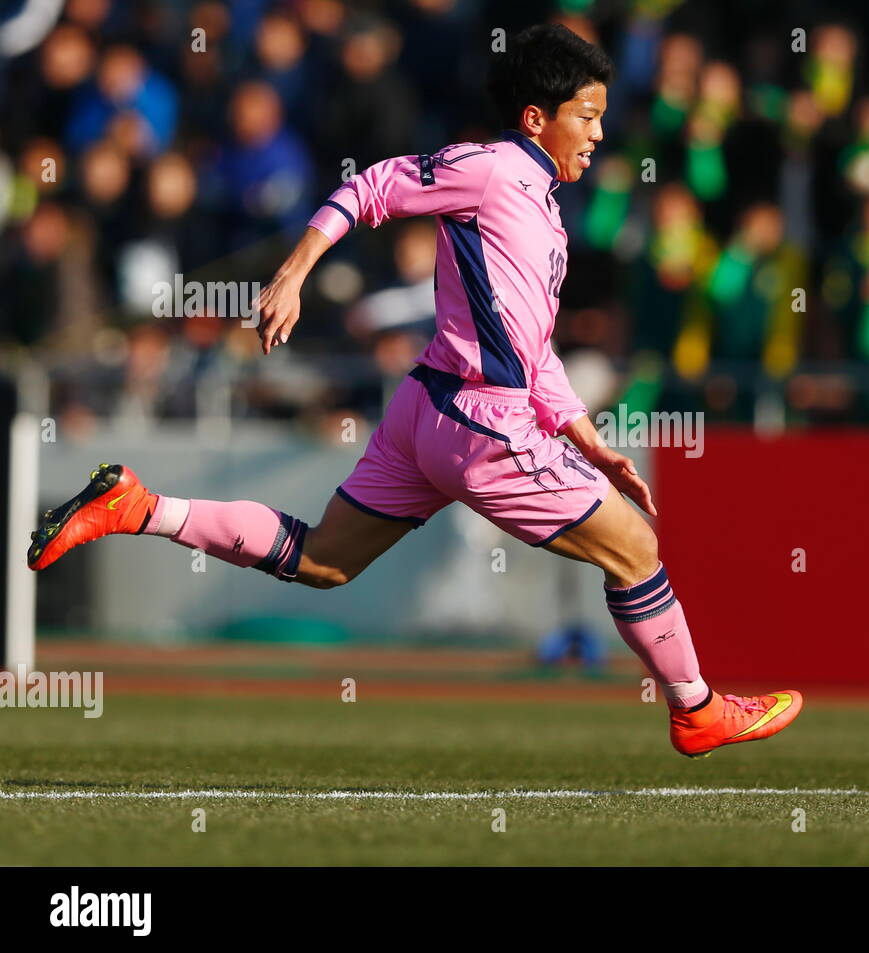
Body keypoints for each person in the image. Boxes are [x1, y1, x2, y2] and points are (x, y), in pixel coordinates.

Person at [27, 24, 802, 759]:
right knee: (636, 548)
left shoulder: (538, 202)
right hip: (480, 424)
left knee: (323, 560)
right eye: (587, 117)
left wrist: (587, 440)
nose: (598, 134)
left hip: (427, 410)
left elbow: (529, 345)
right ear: (537, 119)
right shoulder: (495, 168)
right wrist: (292, 273)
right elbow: (368, 187)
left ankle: (140, 507)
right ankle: (697, 710)